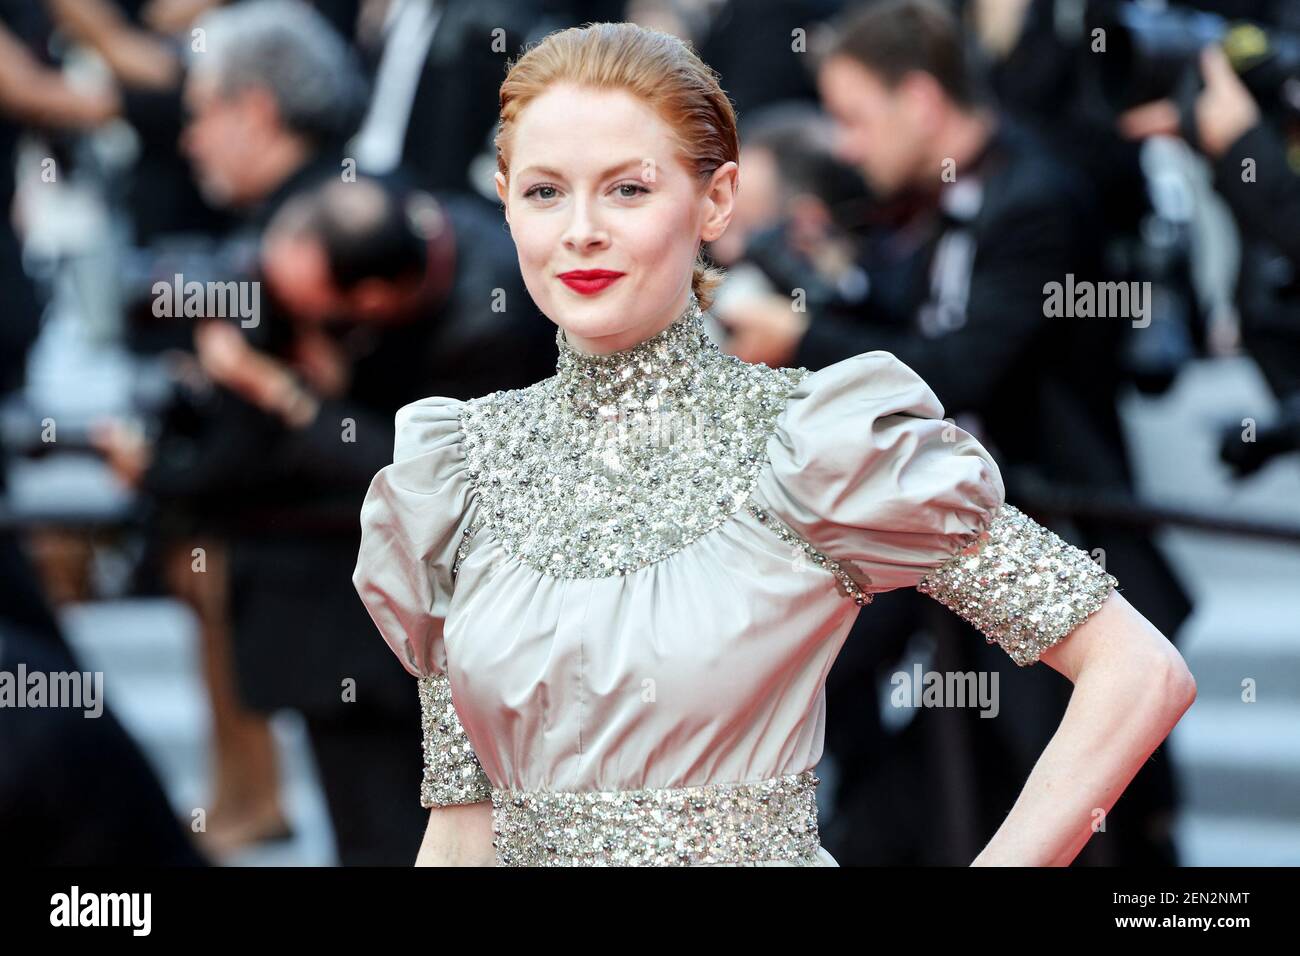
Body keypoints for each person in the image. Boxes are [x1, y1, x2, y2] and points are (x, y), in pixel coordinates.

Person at [351, 20, 1197, 867]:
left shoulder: (815, 442)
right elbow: (462, 827)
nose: (581, 230)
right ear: (504, 200)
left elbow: (1136, 673)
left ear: (716, 200)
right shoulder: (454, 471)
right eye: (544, 192)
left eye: (628, 190)